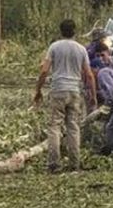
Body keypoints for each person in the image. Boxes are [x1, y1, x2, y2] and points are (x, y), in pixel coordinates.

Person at [34, 19, 98, 173]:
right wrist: (93, 95)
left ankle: (54, 164)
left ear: (61, 31)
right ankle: (74, 164)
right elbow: (89, 75)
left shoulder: (54, 47)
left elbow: (44, 70)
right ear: (74, 31)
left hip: (58, 90)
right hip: (75, 91)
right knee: (73, 127)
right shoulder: (81, 49)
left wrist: (38, 90)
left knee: (54, 127)